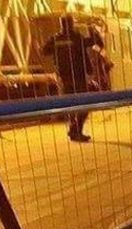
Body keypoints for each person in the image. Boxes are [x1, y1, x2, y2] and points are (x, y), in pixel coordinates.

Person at [43, 14, 102, 142]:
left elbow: (44, 51)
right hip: (78, 76)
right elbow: (95, 42)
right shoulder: (77, 38)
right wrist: (92, 27)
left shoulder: (55, 39)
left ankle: (73, 129)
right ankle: (76, 129)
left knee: (70, 104)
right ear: (71, 24)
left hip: (64, 77)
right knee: (85, 104)